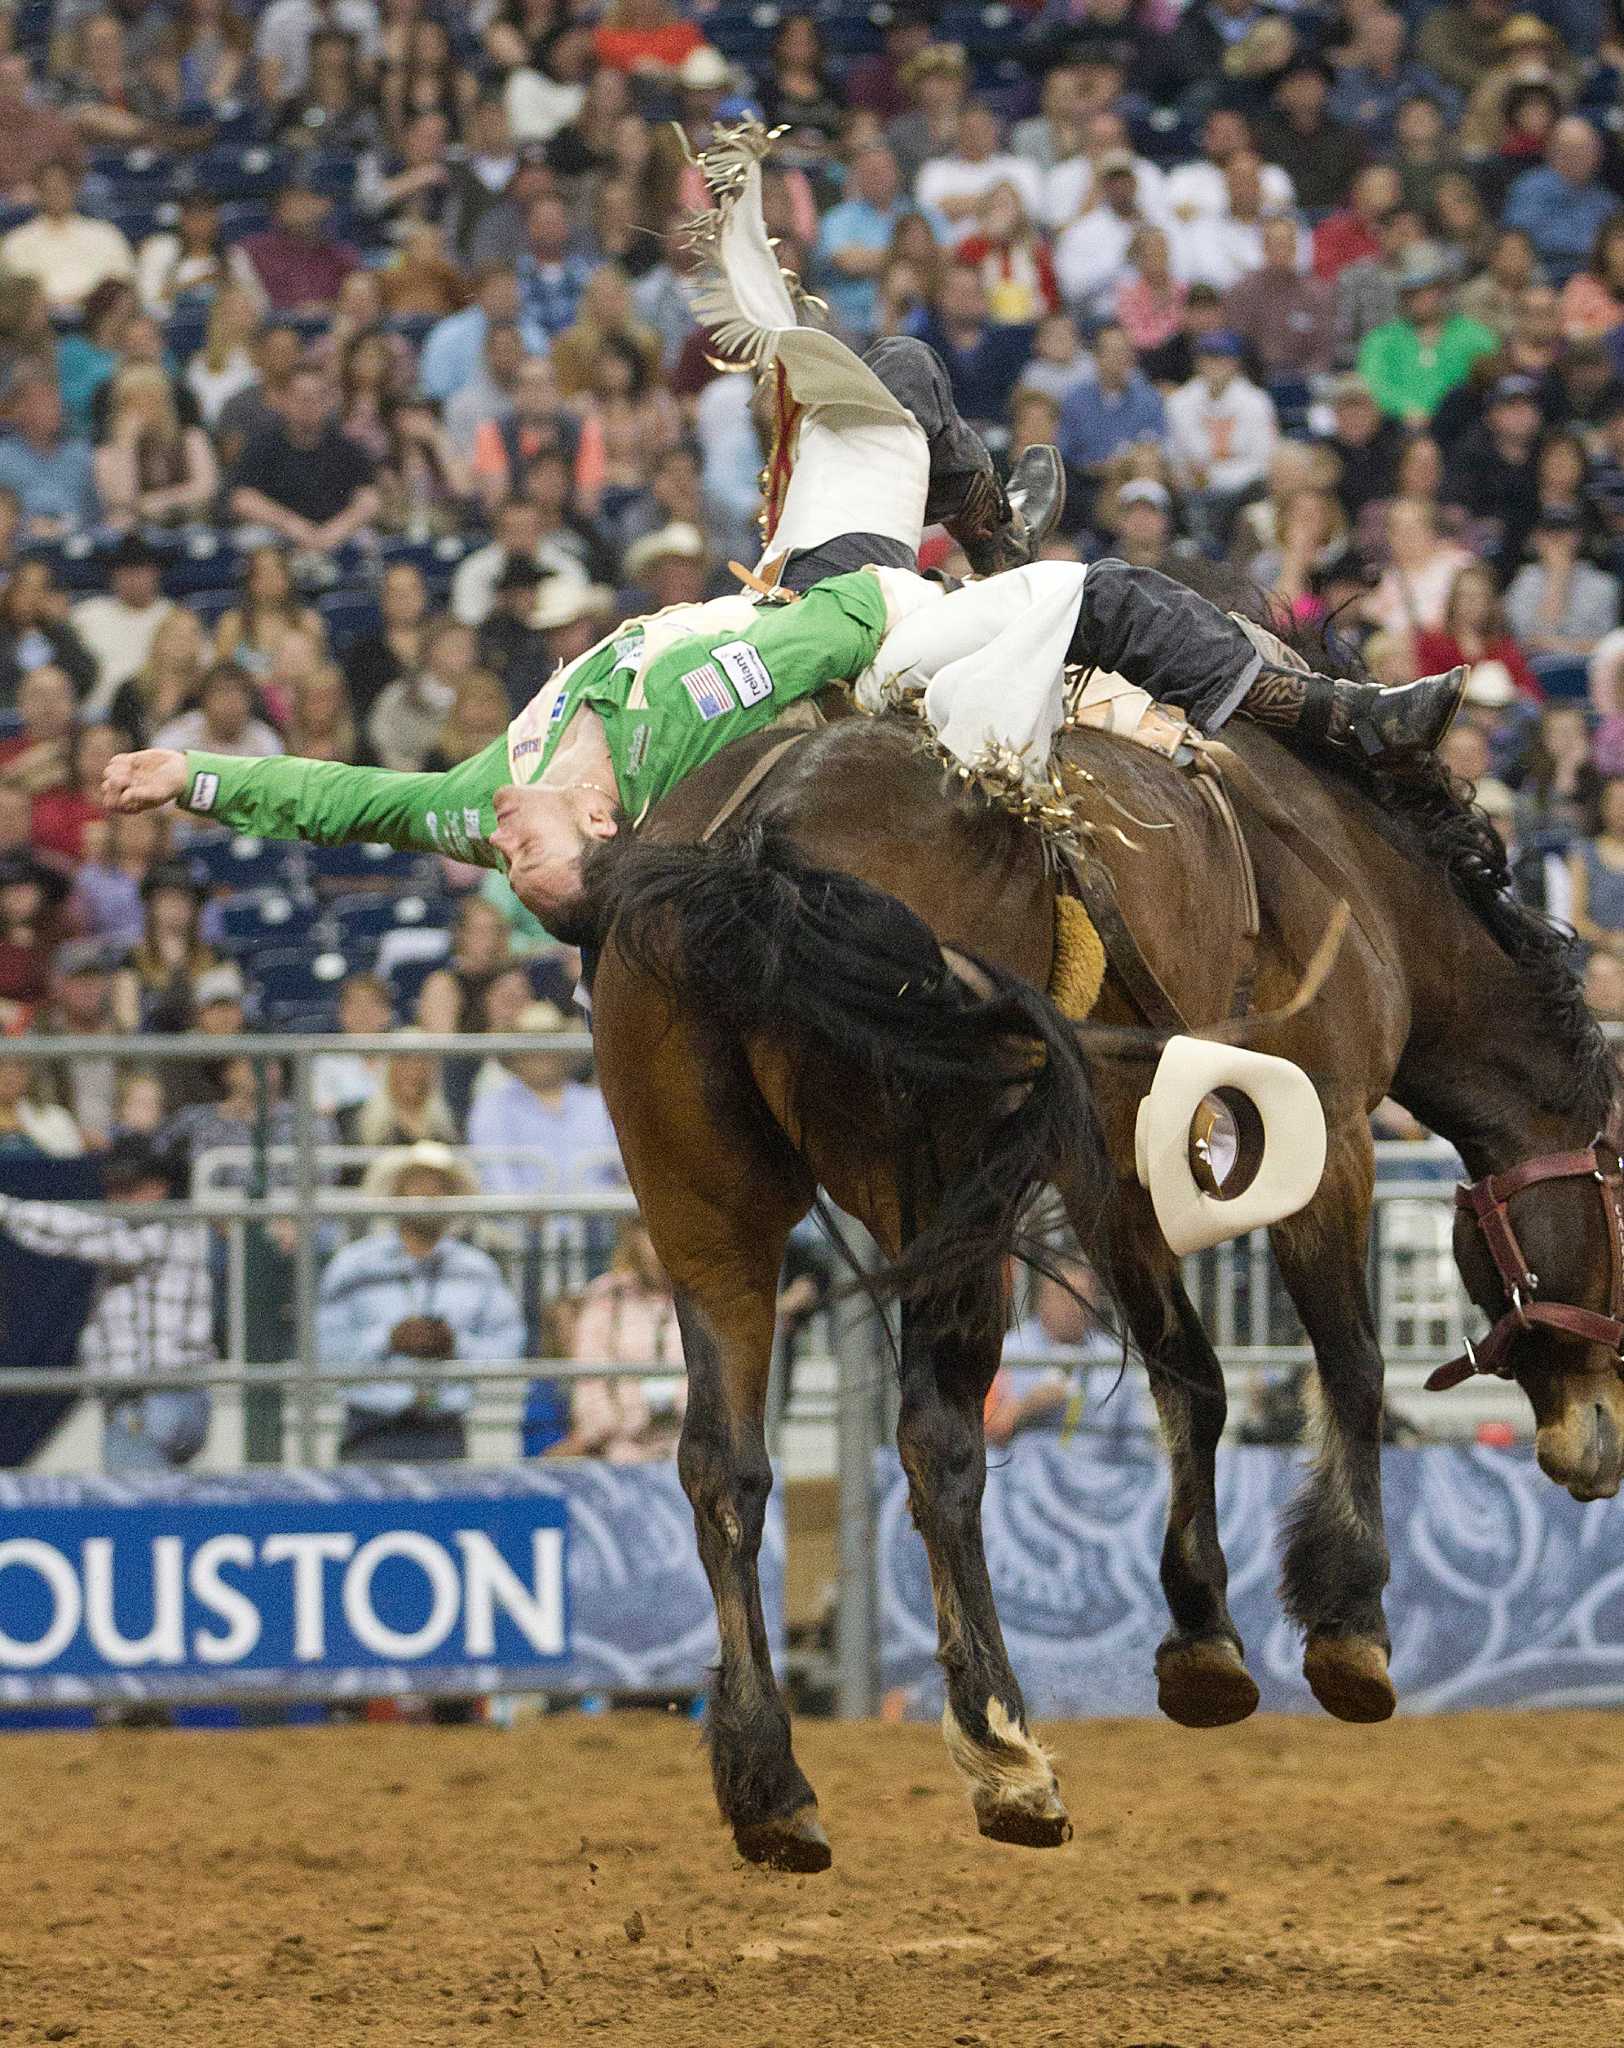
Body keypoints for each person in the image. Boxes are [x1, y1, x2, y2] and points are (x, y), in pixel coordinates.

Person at [102, 121, 1464, 923]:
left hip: (803, 580)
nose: (505, 859)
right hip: (883, 651)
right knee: (1097, 596)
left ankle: (992, 532)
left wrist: (196, 775)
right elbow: (815, 668)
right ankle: (1334, 719)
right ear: (605, 840)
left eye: (515, 862)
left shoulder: (480, 796)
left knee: (895, 382)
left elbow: (340, 800)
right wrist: (915, 595)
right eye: (535, 870)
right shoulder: (656, 791)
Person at [0, 1133, 212, 1471]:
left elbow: (80, 1234)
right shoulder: (148, 1231)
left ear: (158, 1186)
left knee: (138, 1511)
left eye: (129, 1186)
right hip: (159, 1400)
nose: (116, 1197)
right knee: (165, 1509)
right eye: (111, 1186)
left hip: (155, 1398)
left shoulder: (165, 1231)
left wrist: (6, 1210)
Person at [317, 1140, 527, 1462]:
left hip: (445, 1426)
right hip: (369, 1425)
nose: (428, 1193)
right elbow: (325, 1348)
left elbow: (508, 1348)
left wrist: (455, 1345)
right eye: (416, 1182)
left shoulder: (478, 1269)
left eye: (439, 1185)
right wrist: (388, 1338)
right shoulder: (354, 1264)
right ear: (396, 1193)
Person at [547, 1218, 684, 1462]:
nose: (659, 1243)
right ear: (632, 1237)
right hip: (618, 1452)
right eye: (648, 1230)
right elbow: (589, 1383)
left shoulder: (706, 1300)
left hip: (695, 1446)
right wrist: (624, 1426)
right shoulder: (606, 1295)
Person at [465, 998, 621, 1200]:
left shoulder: (599, 1102)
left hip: (602, 1224)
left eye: (550, 1042)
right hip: (521, 1227)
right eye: (531, 1044)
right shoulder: (492, 1107)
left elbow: (625, 1170)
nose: (542, 1053)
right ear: (515, 1055)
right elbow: (496, 1180)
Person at [227, 363, 381, 550]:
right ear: (283, 400)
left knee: (368, 541)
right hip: (280, 532)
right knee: (251, 539)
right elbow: (242, 499)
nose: (309, 406)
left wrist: (335, 531)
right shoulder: (262, 445)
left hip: (335, 533)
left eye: (317, 398)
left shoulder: (347, 447)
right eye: (301, 398)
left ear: (328, 401)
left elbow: (370, 500)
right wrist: (291, 525)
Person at [71, 536, 175, 710]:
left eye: (140, 571)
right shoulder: (86, 615)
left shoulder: (174, 618)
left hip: (153, 713)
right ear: (114, 576)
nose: (133, 578)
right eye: (125, 572)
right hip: (96, 716)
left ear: (155, 573)